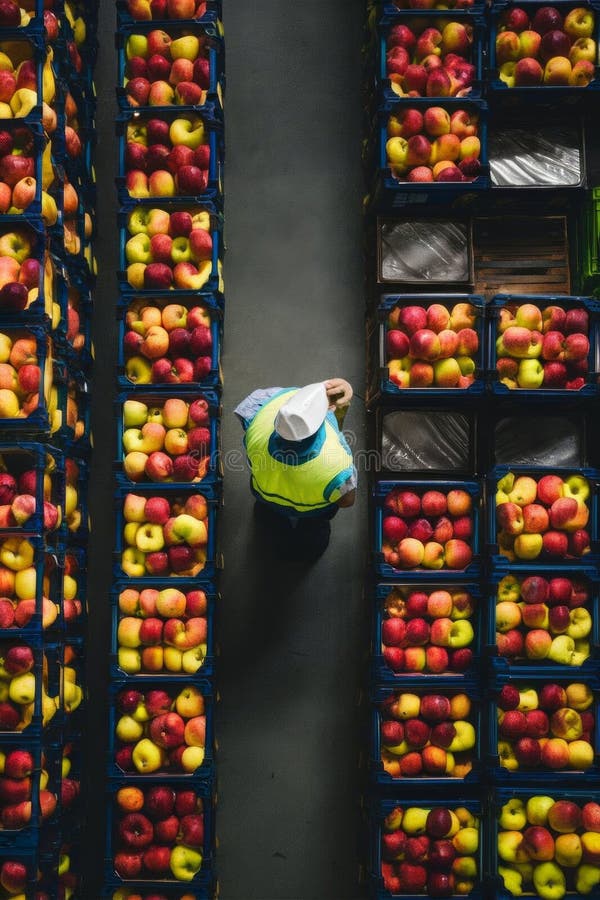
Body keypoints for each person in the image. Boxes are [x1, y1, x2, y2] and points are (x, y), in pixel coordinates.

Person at [234, 378, 357, 559]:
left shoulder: (261, 413)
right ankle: (308, 551)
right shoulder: (336, 463)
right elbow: (347, 500)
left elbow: (251, 409)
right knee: (313, 535)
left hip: (266, 494)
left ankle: (275, 541)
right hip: (311, 509)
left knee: (271, 525)